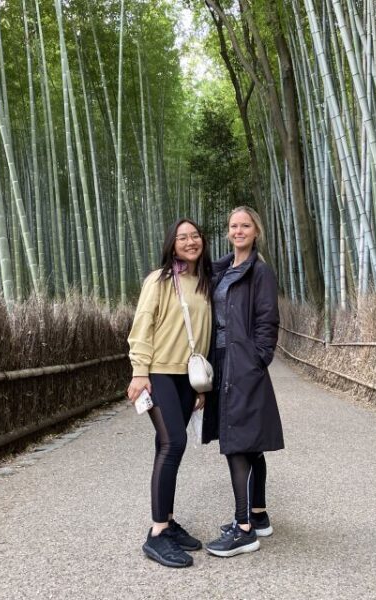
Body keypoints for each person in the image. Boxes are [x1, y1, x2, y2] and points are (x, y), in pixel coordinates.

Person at [126, 218, 212, 568]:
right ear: (171, 244)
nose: (190, 241)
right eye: (182, 237)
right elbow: (143, 323)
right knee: (172, 443)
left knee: (170, 445)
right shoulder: (160, 280)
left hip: (186, 377)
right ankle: (158, 533)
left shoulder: (205, 281)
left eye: (195, 236)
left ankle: (168, 520)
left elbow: (204, 334)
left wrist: (200, 385)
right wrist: (139, 370)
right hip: (159, 372)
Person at [203, 206, 284, 558]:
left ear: (256, 231)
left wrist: (257, 358)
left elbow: (268, 319)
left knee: (239, 443)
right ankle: (259, 515)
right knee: (249, 443)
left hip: (243, 364)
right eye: (233, 226)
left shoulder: (260, 272)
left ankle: (244, 529)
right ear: (228, 231)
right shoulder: (221, 269)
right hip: (223, 362)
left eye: (245, 225)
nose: (239, 231)